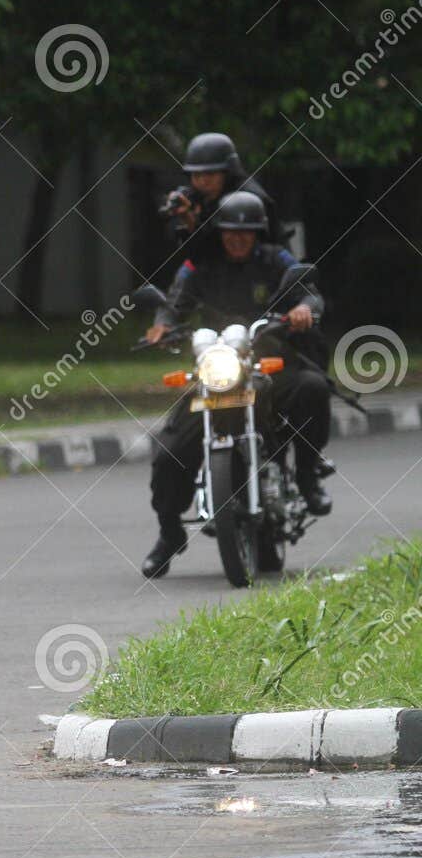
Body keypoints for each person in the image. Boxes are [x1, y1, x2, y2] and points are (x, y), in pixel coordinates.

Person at [140, 191, 331, 579]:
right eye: (230, 231)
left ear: (258, 232)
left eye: (246, 232)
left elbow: (310, 293)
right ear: (220, 231)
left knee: (312, 388)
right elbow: (174, 301)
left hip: (267, 363)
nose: (237, 238)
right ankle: (170, 532)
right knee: (168, 448)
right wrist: (162, 325)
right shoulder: (201, 263)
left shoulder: (276, 259)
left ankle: (309, 475)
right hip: (217, 370)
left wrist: (303, 310)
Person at [163, 132, 287, 253]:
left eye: (210, 174)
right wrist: (186, 218)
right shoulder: (196, 197)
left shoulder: (248, 199)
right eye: (196, 175)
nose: (203, 181)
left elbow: (228, 250)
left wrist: (193, 222)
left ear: (227, 173)